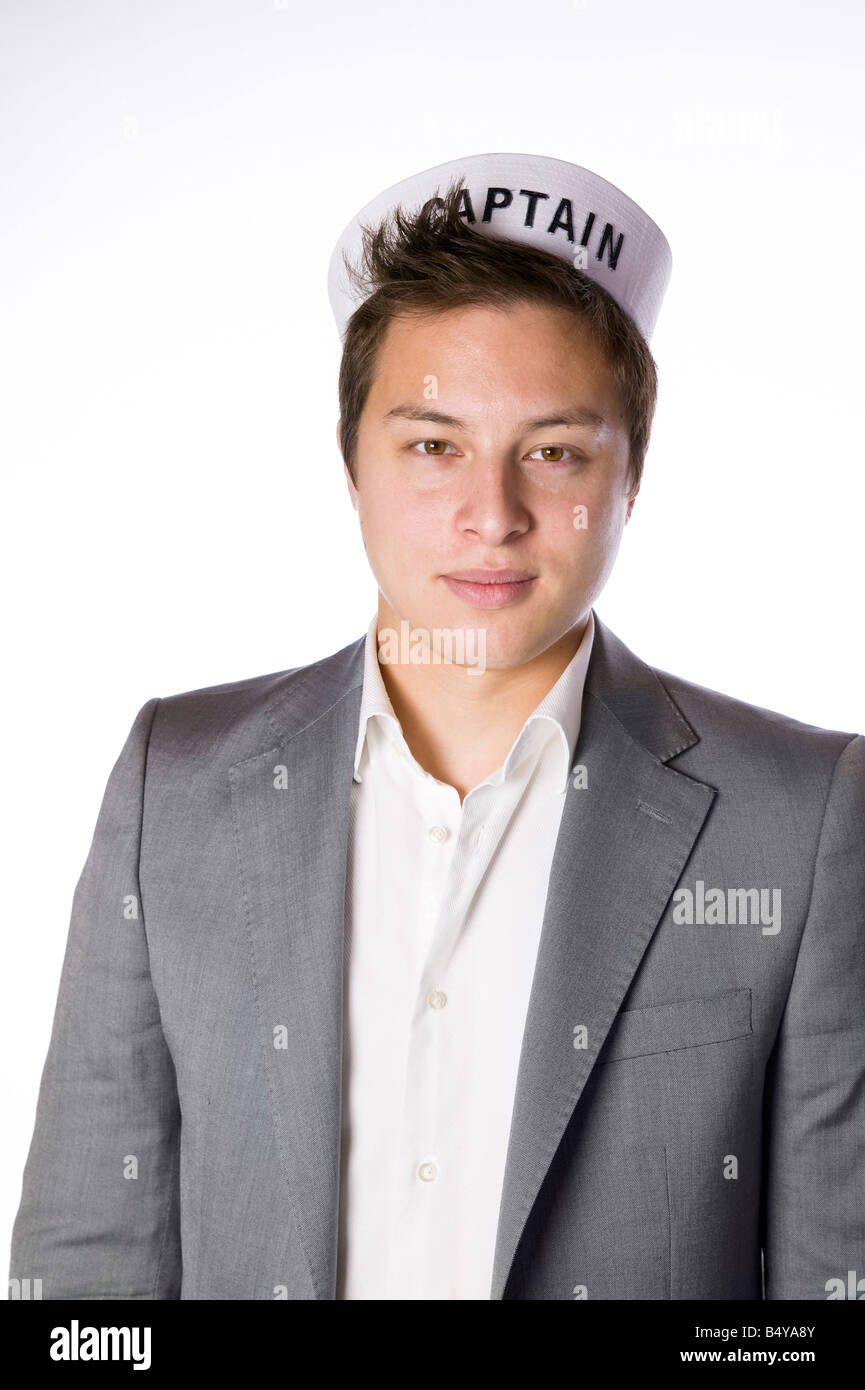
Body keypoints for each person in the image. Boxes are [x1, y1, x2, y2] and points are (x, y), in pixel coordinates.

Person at [9, 153, 864, 1301]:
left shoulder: (800, 816)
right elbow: (86, 1281)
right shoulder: (180, 783)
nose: (492, 514)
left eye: (554, 451)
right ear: (349, 463)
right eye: (432, 445)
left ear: (633, 476)